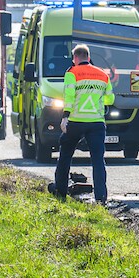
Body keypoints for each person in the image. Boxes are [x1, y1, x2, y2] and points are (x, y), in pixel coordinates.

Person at [53, 44, 115, 204]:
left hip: (75, 121)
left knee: (65, 155)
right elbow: (110, 99)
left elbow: (69, 96)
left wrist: (65, 116)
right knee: (98, 160)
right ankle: (101, 197)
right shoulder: (103, 74)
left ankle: (60, 192)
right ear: (88, 57)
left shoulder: (72, 73)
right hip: (96, 122)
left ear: (75, 58)